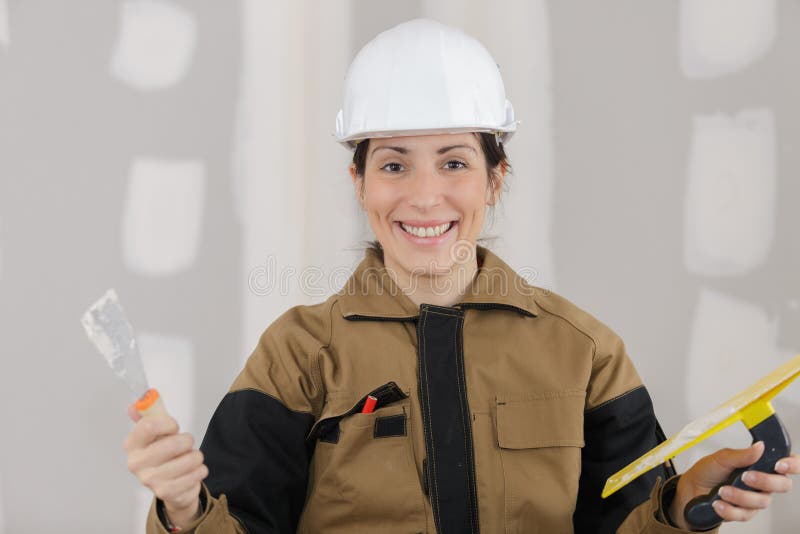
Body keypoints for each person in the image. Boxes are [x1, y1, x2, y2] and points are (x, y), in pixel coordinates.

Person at [124, 18, 798, 534]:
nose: (424, 198)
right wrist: (183, 507)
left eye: (453, 162)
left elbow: (622, 524)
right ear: (357, 181)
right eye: (393, 164)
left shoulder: (584, 351)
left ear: (495, 177)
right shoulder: (298, 355)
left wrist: (681, 504)